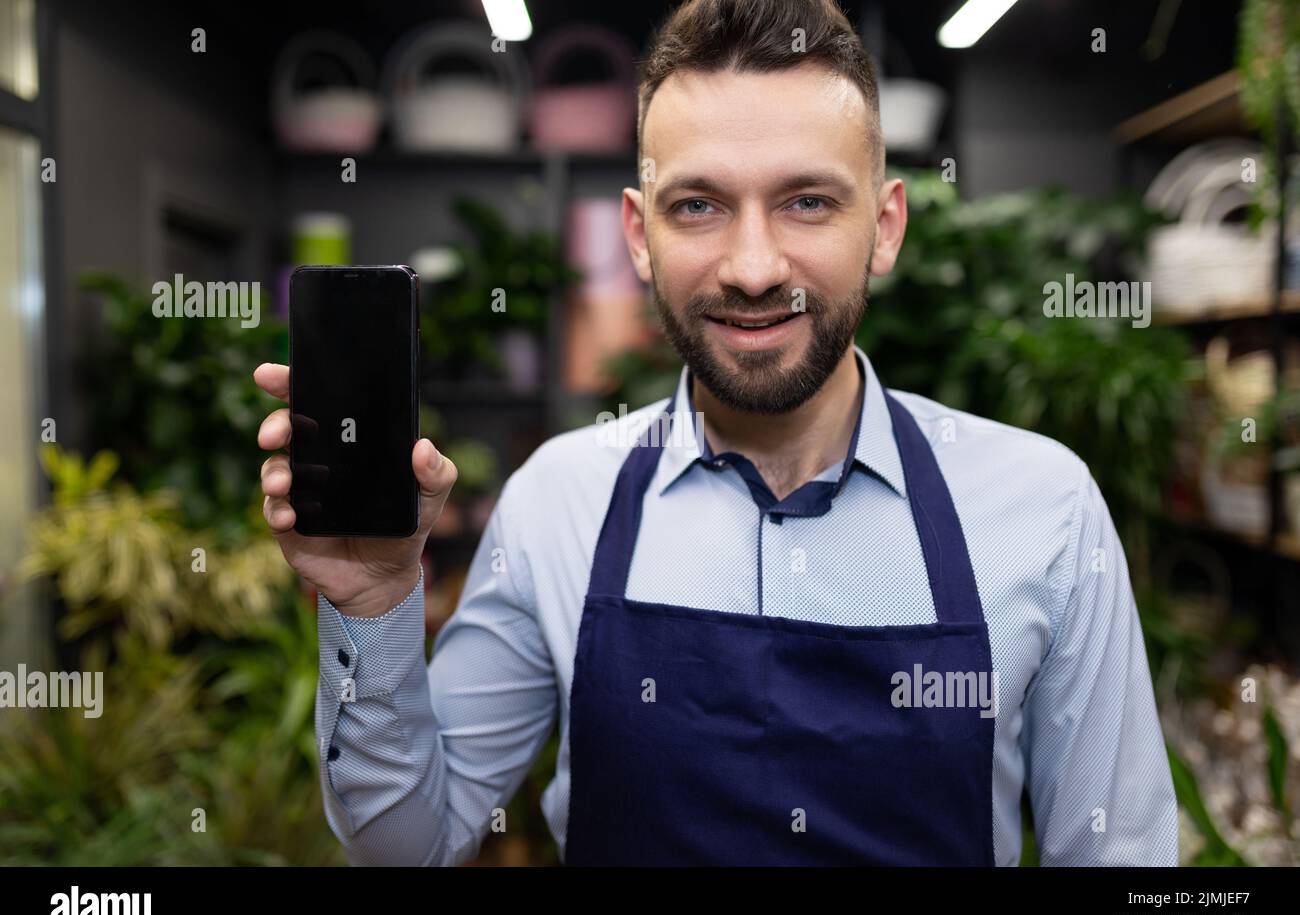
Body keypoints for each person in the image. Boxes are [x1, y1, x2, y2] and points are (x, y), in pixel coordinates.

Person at [253, 0, 1178, 866]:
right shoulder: (558, 501)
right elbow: (409, 842)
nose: (752, 267)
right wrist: (374, 612)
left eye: (808, 201)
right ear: (640, 234)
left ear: (885, 228)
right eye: (698, 205)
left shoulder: (1044, 509)